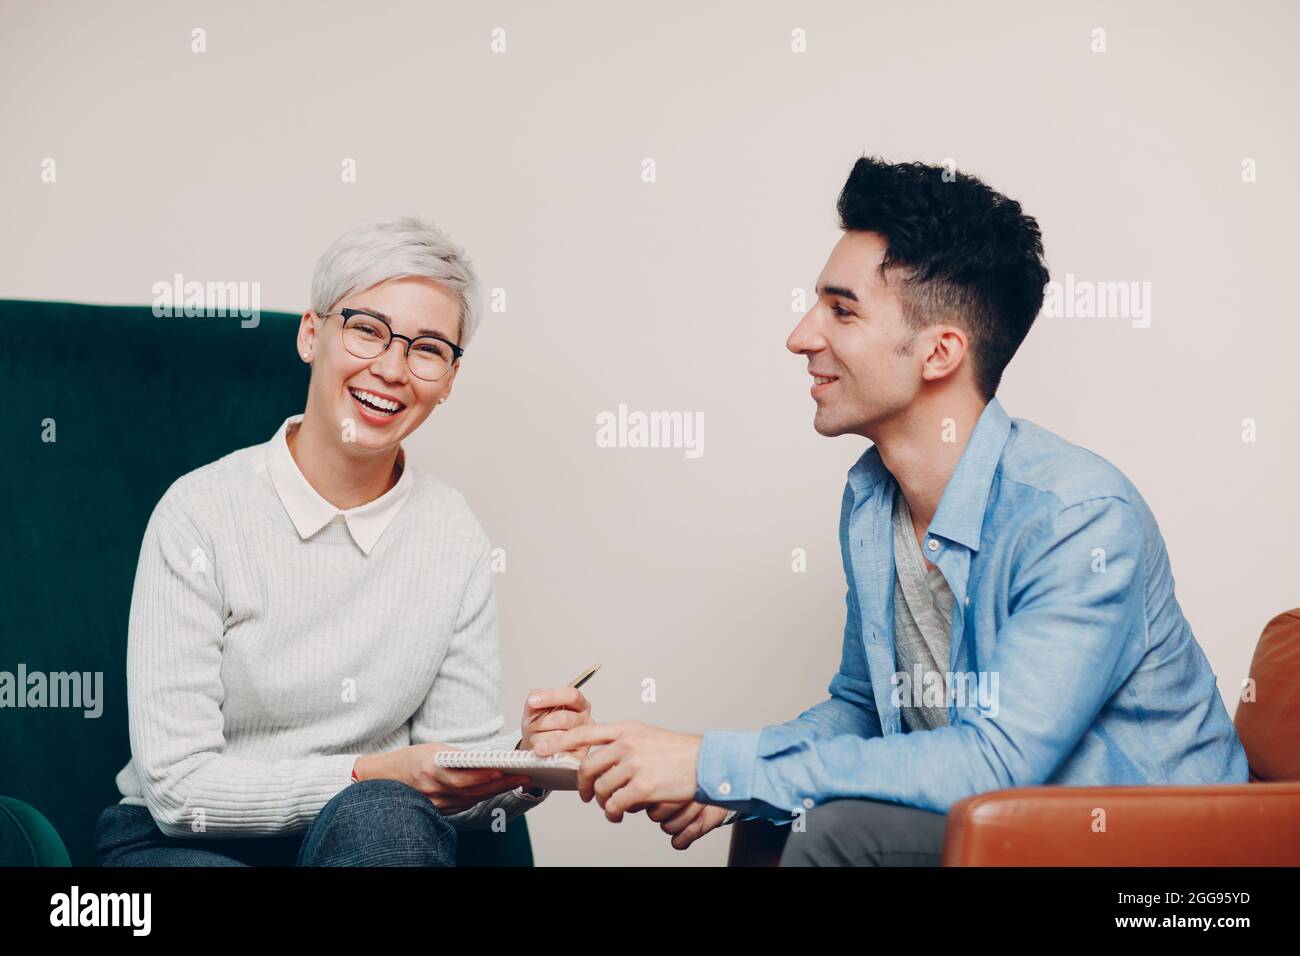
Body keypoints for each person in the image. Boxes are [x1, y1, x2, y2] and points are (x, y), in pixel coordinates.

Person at [534, 156, 1250, 866]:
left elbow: (1000, 762)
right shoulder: (873, 500)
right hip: (1009, 831)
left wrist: (721, 763)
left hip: (1156, 857)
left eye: (841, 310)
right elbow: (865, 711)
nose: (801, 336)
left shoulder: (1078, 518)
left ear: (940, 352)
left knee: (833, 830)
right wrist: (725, 778)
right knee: (775, 819)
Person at [93, 216, 592, 866]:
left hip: (376, 840)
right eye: (367, 329)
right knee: (386, 805)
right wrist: (376, 774)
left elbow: (447, 787)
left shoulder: (452, 535)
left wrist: (522, 766)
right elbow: (179, 790)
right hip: (185, 842)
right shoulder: (200, 513)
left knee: (388, 818)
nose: (391, 368)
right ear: (311, 334)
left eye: (429, 348)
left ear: (448, 380)